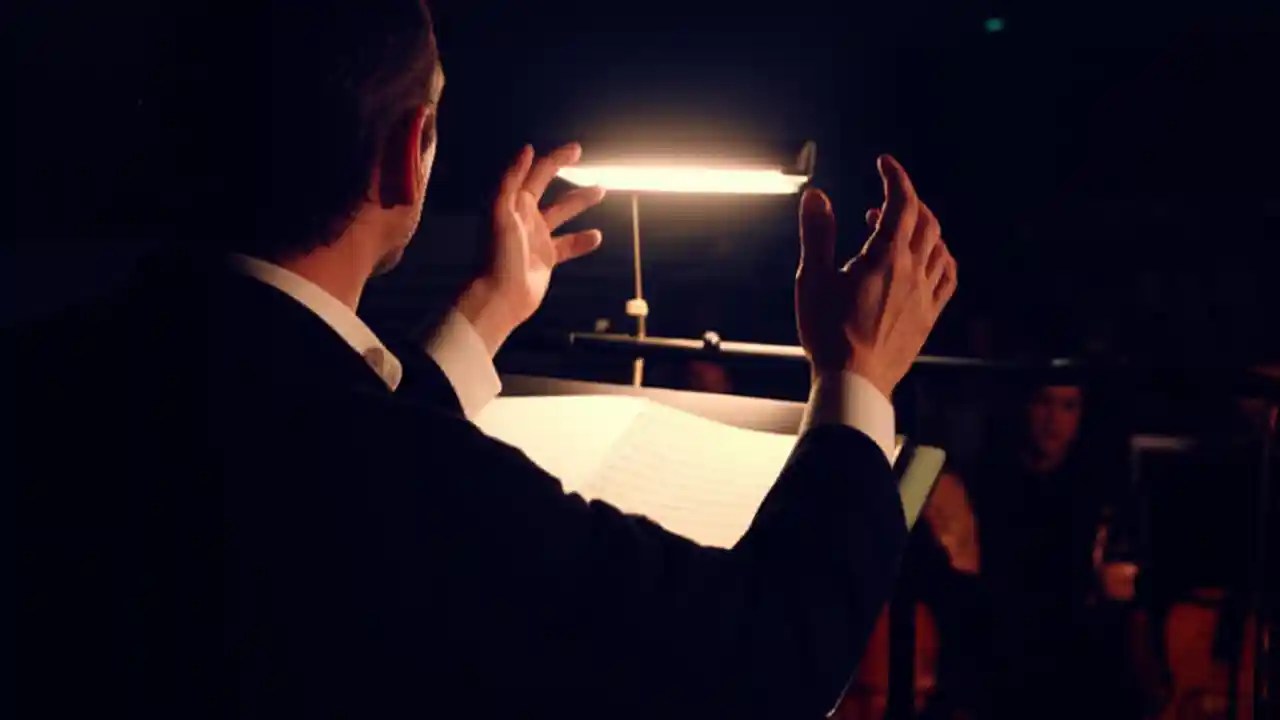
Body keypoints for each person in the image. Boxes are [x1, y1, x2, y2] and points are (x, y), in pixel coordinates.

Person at [14, 2, 957, 718]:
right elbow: (764, 658)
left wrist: (486, 315)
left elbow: (296, 424)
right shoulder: (398, 481)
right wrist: (856, 378)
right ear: (408, 156)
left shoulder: (56, 372)